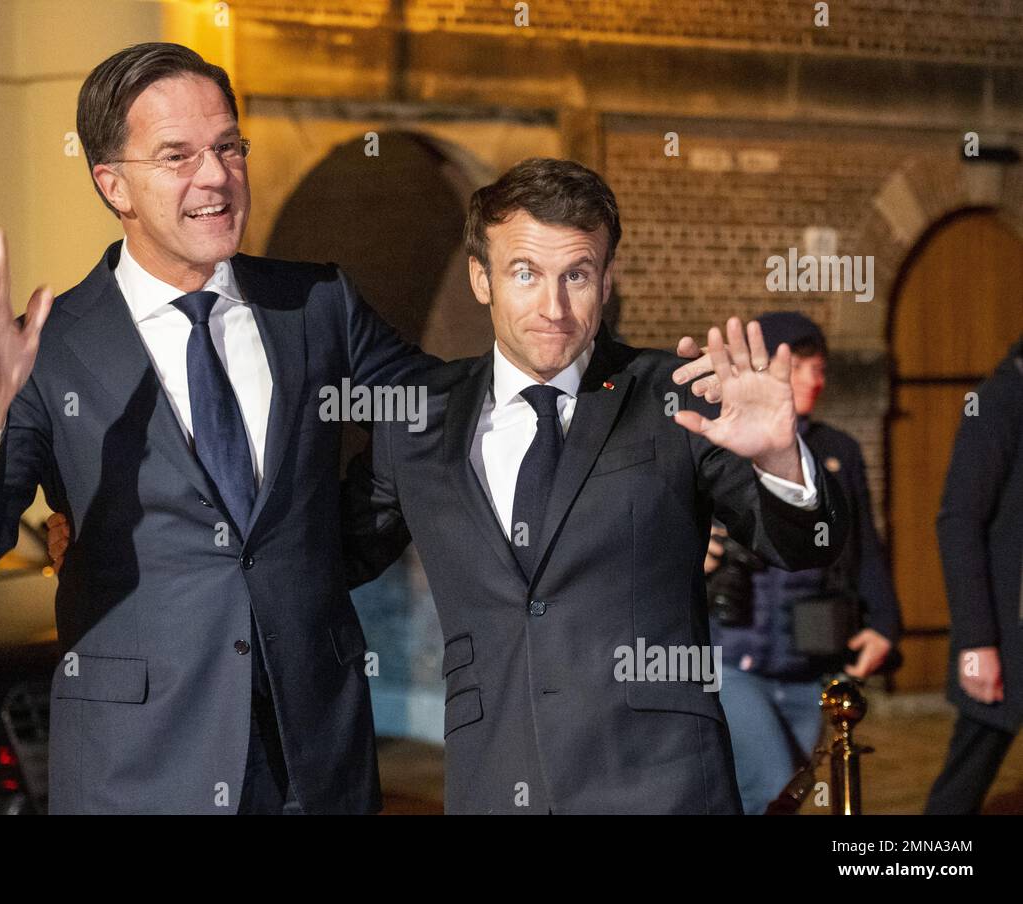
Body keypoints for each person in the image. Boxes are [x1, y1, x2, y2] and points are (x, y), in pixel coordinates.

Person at [0, 42, 434, 814]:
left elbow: (433, 416)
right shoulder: (50, 347)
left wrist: (339, 542)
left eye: (228, 146)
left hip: (316, 764)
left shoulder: (317, 304)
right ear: (112, 184)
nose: (216, 177)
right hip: (141, 773)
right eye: (177, 156)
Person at [335, 158, 847, 813]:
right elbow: (326, 556)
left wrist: (781, 458)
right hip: (495, 783)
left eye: (576, 275)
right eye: (525, 273)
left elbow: (808, 545)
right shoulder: (418, 417)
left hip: (662, 786)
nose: (553, 308)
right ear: (481, 278)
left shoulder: (677, 396)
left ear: (606, 281)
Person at [701, 311, 901, 815]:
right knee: (771, 780)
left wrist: (885, 625)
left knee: (784, 796)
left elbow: (863, 547)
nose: (816, 379)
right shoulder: (720, 445)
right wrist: (690, 551)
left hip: (812, 657)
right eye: (801, 368)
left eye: (820, 368)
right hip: (731, 655)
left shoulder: (838, 450)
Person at [925, 335, 1023, 814]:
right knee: (964, 782)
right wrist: (977, 643)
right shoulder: (999, 401)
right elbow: (958, 522)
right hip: (1006, 639)